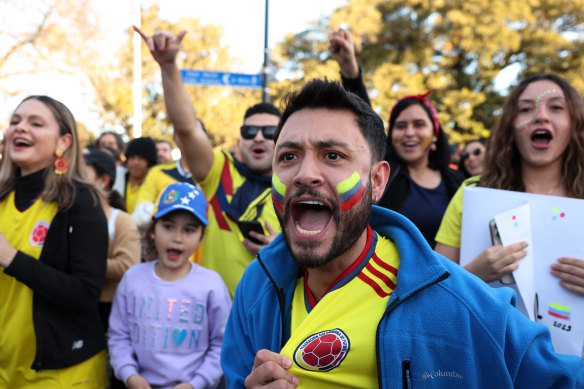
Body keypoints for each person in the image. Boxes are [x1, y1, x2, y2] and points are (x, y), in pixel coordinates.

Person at [220, 79, 584, 388]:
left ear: (376, 181)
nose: (304, 173)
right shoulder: (257, 286)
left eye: (332, 156)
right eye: (288, 157)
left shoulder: (456, 302)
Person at [135, 26, 280, 296]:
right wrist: (168, 67)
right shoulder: (219, 170)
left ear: (283, 141)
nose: (258, 138)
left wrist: (283, 252)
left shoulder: (298, 187)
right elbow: (187, 128)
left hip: (270, 321)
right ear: (240, 141)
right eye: (249, 132)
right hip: (210, 317)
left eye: (270, 133)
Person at [435, 74, 584, 297]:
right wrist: (473, 274)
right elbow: (434, 286)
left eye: (555, 107)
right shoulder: (472, 192)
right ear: (510, 126)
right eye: (525, 109)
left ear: (575, 123)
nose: (540, 116)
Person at [0, 95, 109, 387]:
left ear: (64, 142)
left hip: (62, 373)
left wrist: (12, 259)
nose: (20, 128)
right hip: (6, 369)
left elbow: (86, 292)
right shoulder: (2, 199)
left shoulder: (81, 202)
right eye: (14, 122)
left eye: (35, 123)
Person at [329, 27, 464, 248]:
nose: (409, 132)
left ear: (436, 135)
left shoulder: (456, 181)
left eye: (419, 124)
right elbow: (364, 116)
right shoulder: (385, 174)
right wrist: (350, 70)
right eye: (400, 126)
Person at [108, 182, 232, 389]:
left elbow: (222, 344)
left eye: (189, 229)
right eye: (168, 226)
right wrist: (130, 376)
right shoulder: (132, 279)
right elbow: (118, 336)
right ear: (153, 229)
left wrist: (194, 384)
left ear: (201, 236)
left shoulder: (212, 285)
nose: (177, 238)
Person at [83, 148, 141, 329]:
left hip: (108, 309)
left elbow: (127, 265)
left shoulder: (121, 220)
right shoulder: (67, 215)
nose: (75, 179)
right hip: (75, 304)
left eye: (83, 173)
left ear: (104, 180)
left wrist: (80, 263)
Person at [118, 136, 158, 215]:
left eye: (141, 158)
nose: (135, 162)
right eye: (132, 158)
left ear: (150, 162)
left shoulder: (155, 186)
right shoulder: (118, 180)